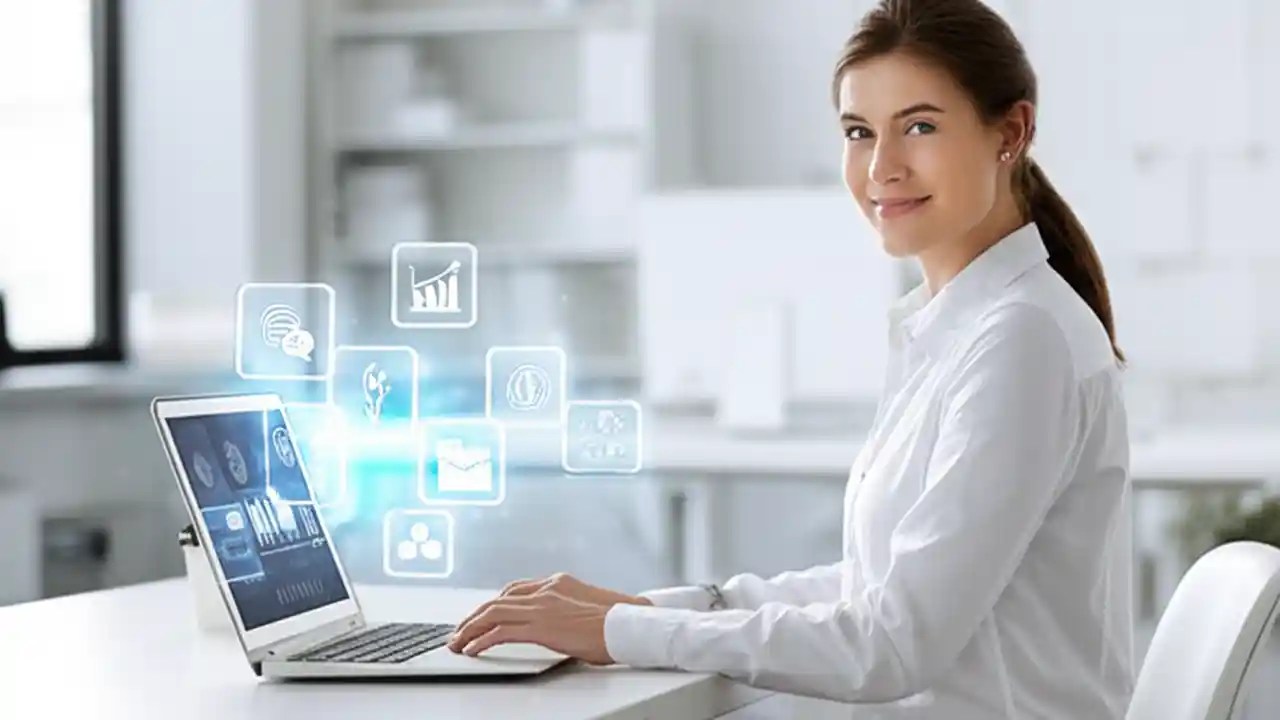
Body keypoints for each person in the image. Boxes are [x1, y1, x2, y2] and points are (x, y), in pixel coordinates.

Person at [448, 0, 1134, 716]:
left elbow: (893, 644)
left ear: (1010, 133)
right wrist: (645, 611)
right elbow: (875, 587)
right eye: (859, 132)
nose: (882, 167)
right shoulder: (962, 328)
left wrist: (621, 632)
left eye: (920, 127)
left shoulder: (1020, 340)